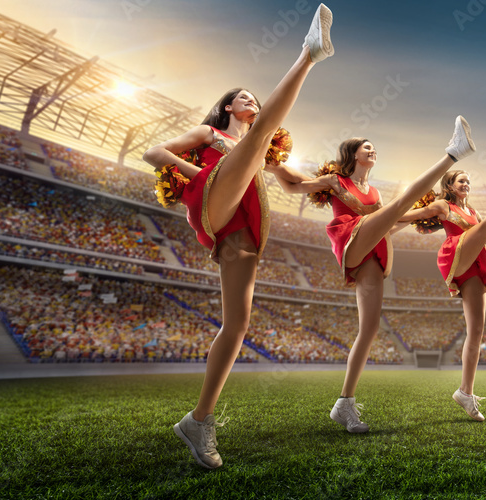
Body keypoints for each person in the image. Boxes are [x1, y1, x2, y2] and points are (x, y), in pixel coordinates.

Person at [141, 3, 335, 468]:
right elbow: (153, 151)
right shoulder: (210, 133)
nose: (252, 102)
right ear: (229, 107)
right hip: (210, 199)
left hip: (246, 229)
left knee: (237, 326)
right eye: (245, 98)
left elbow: (293, 184)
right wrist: (200, 175)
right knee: (261, 135)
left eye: (255, 99)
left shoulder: (260, 148)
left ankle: (198, 419)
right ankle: (309, 53)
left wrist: (329, 184)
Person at [275, 116, 477, 432]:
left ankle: (344, 403)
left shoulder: (375, 194)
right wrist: (270, 161)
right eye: (367, 147)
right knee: (401, 203)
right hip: (351, 237)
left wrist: (418, 216)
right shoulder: (335, 181)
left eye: (373, 147)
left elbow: (389, 225)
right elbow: (293, 185)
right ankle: (452, 153)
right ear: (353, 154)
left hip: (373, 251)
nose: (372, 150)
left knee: (369, 329)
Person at [399, 149, 486, 421]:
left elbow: (484, 235)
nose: (466, 184)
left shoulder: (473, 212)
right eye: (461, 181)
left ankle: (465, 392)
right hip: (457, 253)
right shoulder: (443, 206)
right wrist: (385, 220)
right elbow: (412, 214)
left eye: (468, 181)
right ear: (450, 186)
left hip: (475, 265)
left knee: (476, 331)